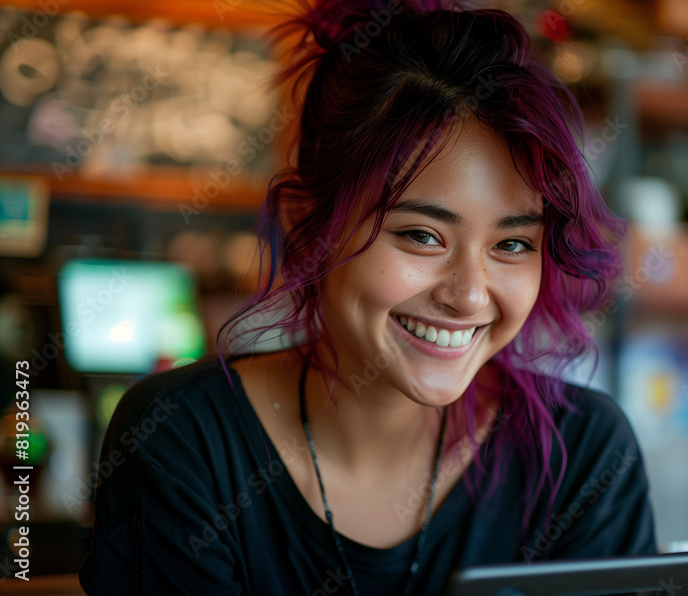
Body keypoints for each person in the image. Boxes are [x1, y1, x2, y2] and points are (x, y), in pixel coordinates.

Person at [79, 0, 657, 593]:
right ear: (307, 225)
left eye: (512, 244)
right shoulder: (184, 439)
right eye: (421, 236)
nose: (469, 295)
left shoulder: (582, 455)